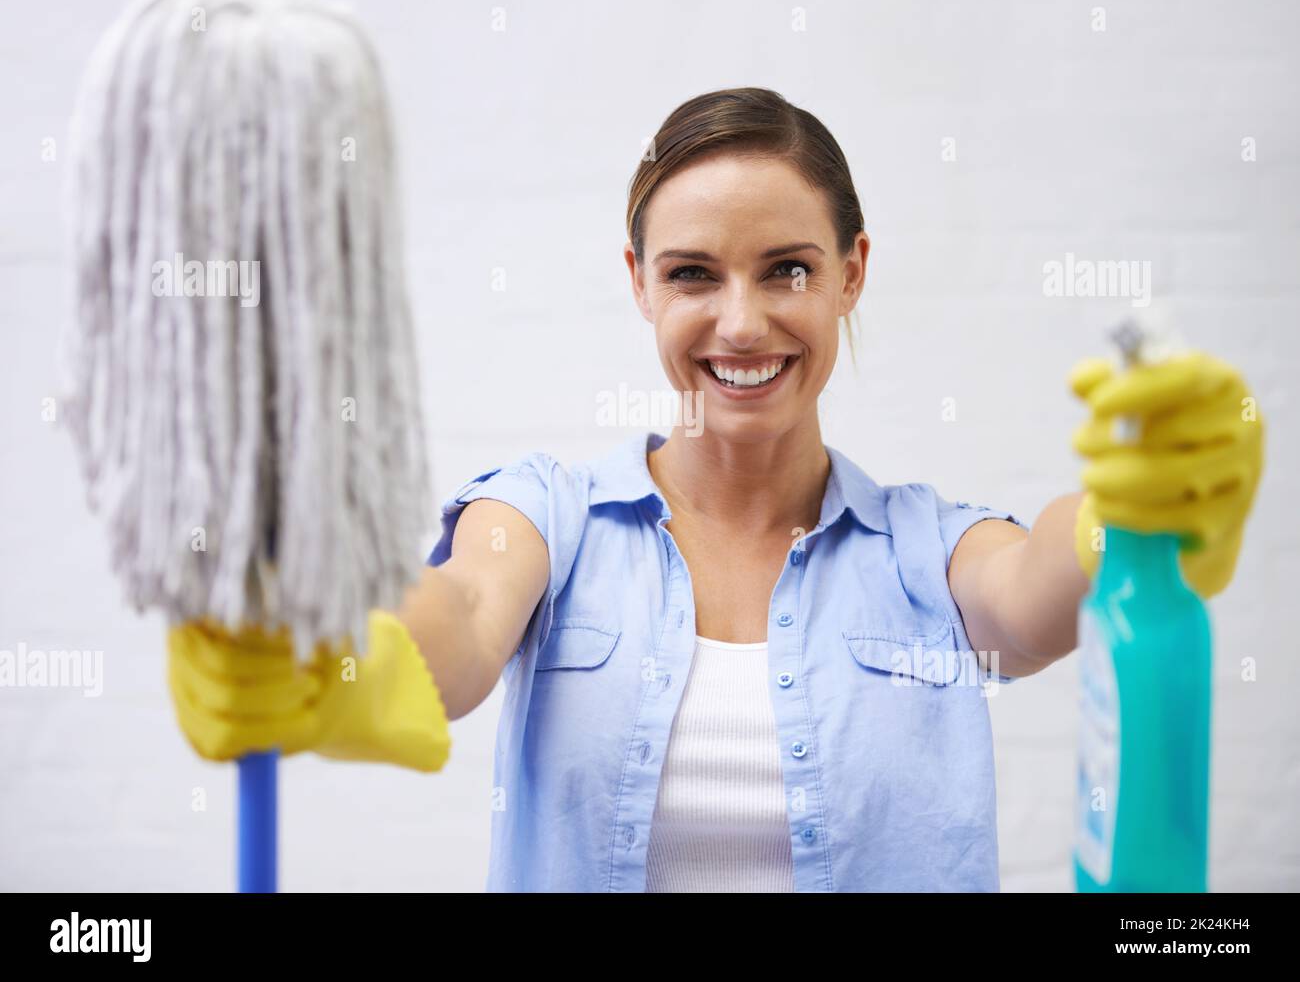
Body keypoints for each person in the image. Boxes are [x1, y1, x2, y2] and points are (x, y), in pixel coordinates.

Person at [168, 87, 1264, 892]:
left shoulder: (926, 550)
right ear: (639, 283)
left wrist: (1143, 519)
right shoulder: (546, 517)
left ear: (850, 273)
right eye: (693, 273)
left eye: (786, 268)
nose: (741, 323)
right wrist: (327, 641)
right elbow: (452, 623)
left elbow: (1036, 579)